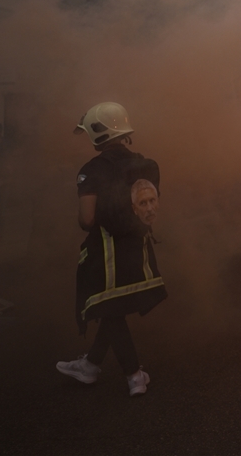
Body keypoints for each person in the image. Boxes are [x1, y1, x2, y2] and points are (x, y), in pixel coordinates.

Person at [56, 102, 167, 397]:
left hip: (108, 256)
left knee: (110, 310)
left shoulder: (92, 170)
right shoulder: (148, 165)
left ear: (97, 132)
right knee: (112, 309)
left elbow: (87, 219)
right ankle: (90, 366)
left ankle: (134, 376)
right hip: (139, 250)